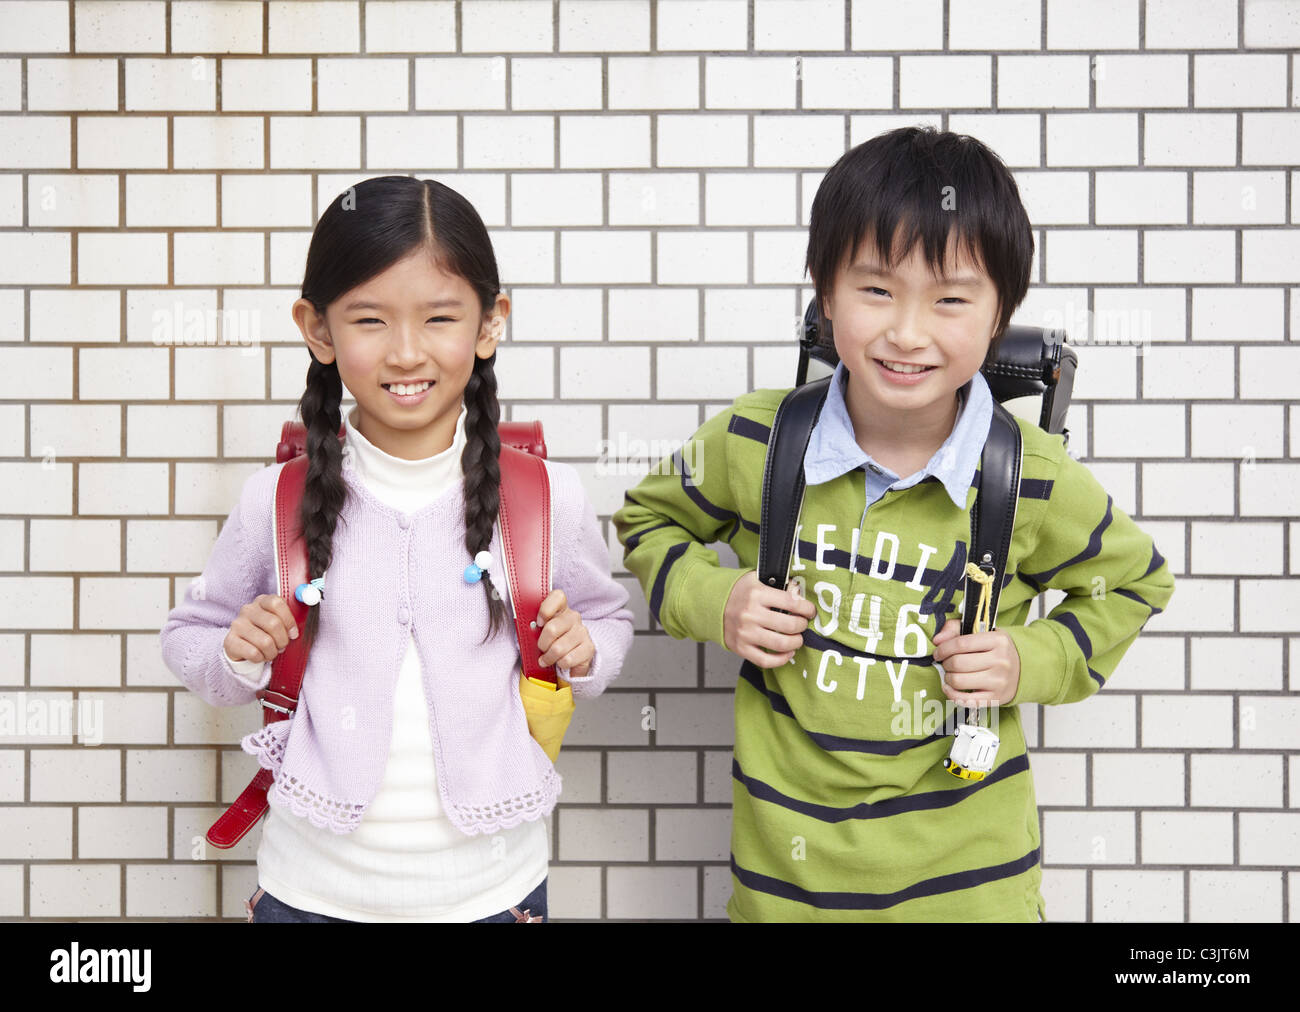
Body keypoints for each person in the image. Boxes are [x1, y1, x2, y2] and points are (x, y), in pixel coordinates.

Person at [612, 126, 1176, 922]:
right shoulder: (755, 442)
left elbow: (1135, 581)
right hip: (786, 893)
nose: (907, 333)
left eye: (950, 299)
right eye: (876, 290)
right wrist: (718, 600)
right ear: (825, 292)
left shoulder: (1033, 476)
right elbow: (645, 520)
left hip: (973, 893)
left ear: (997, 315)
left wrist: (1028, 656)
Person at [161, 175, 634, 923]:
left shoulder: (545, 498)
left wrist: (586, 650)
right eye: (370, 320)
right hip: (309, 895)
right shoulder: (275, 501)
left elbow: (609, 624)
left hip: (493, 896)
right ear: (318, 330)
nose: (407, 352)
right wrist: (235, 652)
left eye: (440, 317)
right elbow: (189, 640)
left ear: (489, 323)